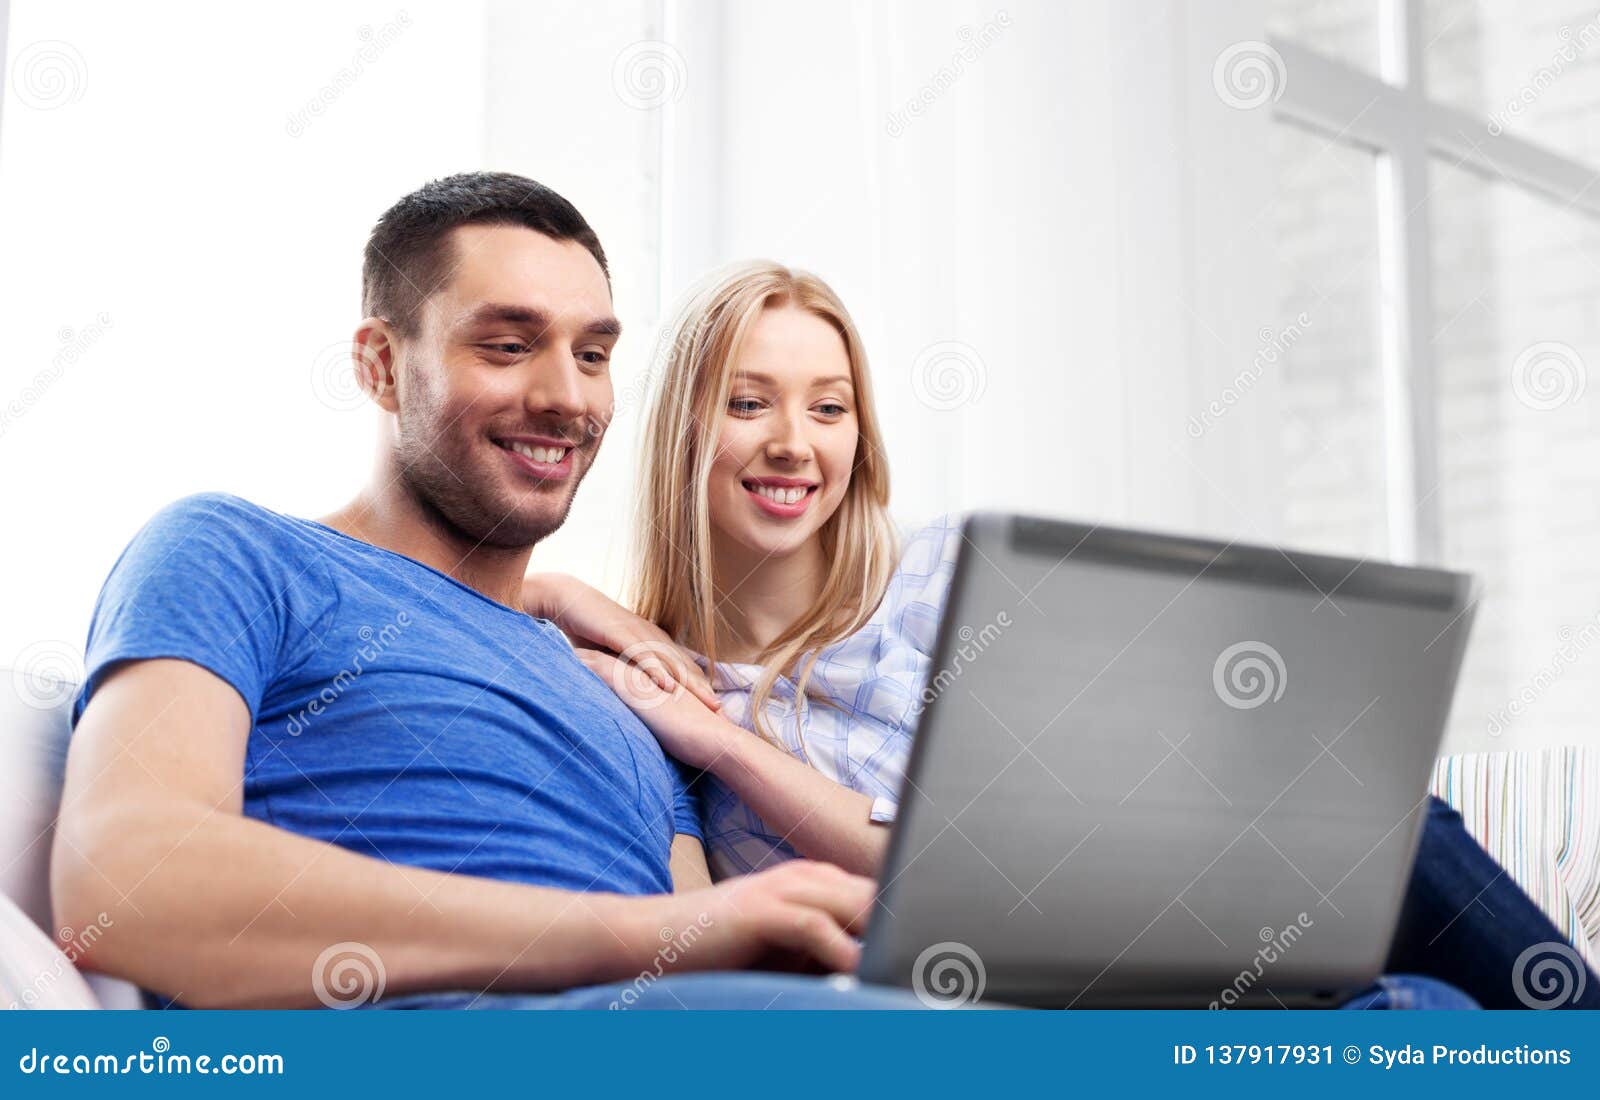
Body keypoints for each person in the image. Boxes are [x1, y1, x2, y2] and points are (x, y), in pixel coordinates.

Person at [580, 259, 1595, 1010]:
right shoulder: (667, 692)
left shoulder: (939, 575)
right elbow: (873, 889)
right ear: (684, 430)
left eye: (829, 407)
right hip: (1008, 998)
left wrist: (714, 732)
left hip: (1152, 913)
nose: (794, 441)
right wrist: (567, 599)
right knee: (1413, 1010)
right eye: (748, 402)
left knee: (1391, 819)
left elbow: (1021, 823)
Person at [52, 173, 927, 1011]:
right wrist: (647, 934)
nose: (564, 396)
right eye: (509, 347)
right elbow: (128, 882)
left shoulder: (628, 695)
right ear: (381, 365)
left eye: (592, 355)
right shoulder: (236, 554)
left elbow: (691, 964)